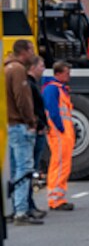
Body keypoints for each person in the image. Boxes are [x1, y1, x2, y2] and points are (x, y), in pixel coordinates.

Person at [5, 39, 42, 225]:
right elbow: (22, 99)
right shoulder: (19, 70)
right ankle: (21, 211)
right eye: (32, 50)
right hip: (20, 125)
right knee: (24, 168)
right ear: (24, 51)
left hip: (9, 124)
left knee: (13, 169)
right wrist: (31, 121)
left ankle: (13, 208)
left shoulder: (5, 68)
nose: (33, 53)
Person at [43, 60, 76, 211]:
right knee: (60, 164)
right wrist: (60, 128)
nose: (69, 76)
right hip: (59, 132)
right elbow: (53, 111)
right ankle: (56, 199)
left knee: (61, 164)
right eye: (67, 73)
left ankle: (57, 197)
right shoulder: (53, 89)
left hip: (61, 132)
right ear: (58, 73)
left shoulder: (58, 89)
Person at [25, 56, 49, 219]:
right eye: (41, 66)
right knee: (28, 169)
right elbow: (30, 108)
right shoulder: (29, 85)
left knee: (30, 169)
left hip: (37, 129)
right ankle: (27, 205)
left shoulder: (32, 84)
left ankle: (28, 203)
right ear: (33, 67)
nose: (43, 69)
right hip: (35, 130)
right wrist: (39, 124)